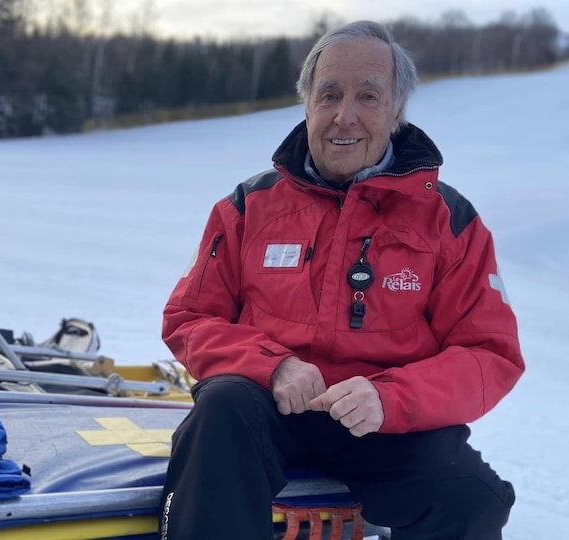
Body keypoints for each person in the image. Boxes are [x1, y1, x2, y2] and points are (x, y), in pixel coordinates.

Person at [159, 20, 524, 540]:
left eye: (368, 97)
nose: (343, 116)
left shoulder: (450, 220)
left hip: (385, 423)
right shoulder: (247, 208)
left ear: (397, 111)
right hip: (266, 408)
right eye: (328, 95)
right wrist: (273, 366)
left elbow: (490, 354)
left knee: (472, 498)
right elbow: (189, 317)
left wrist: (389, 398)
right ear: (307, 104)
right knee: (219, 411)